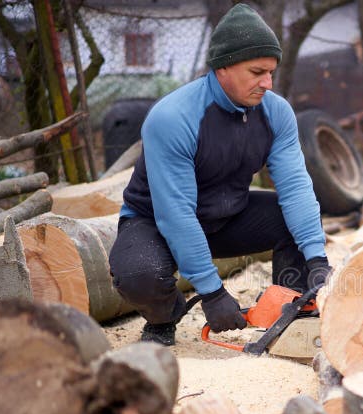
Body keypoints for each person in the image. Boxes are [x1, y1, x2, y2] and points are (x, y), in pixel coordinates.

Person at [109, 3, 330, 346]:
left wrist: (317, 259)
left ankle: (293, 314)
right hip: (156, 224)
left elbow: (297, 188)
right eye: (257, 72)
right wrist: (212, 292)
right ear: (222, 66)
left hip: (227, 217)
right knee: (140, 274)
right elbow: (176, 214)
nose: (267, 83)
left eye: (271, 72)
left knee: (293, 220)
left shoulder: (276, 113)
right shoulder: (173, 117)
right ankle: (163, 319)